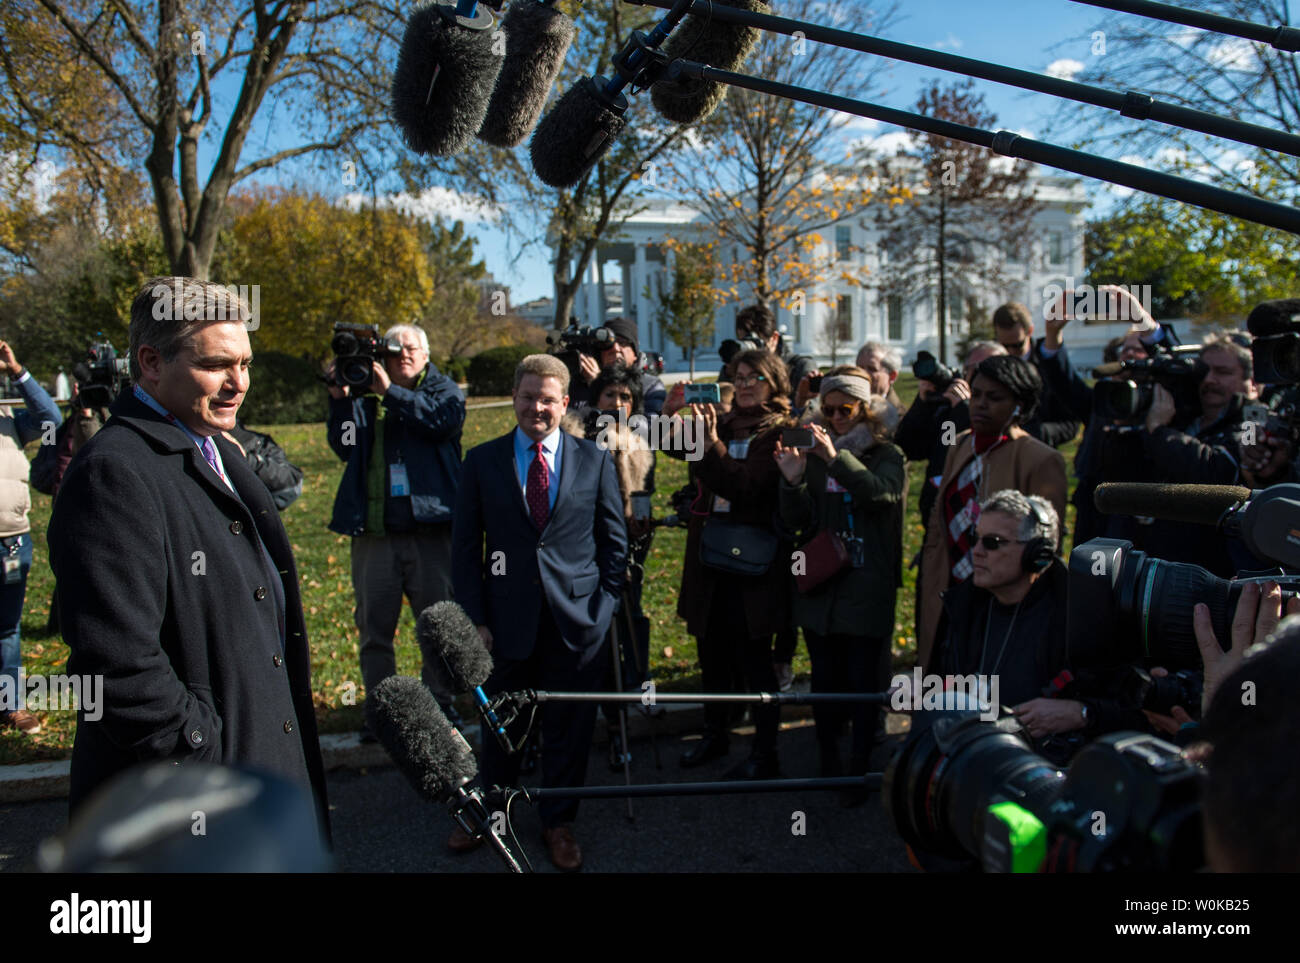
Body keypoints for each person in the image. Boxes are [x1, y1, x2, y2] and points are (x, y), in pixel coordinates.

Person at [46, 277, 329, 838]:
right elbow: (116, 670)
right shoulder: (114, 472)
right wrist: (203, 757)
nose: (238, 384)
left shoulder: (218, 444)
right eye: (217, 365)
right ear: (150, 362)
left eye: (246, 363)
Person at [449, 353, 627, 871]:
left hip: (578, 622)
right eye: (528, 397)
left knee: (569, 727)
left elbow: (613, 543)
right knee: (503, 724)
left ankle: (558, 821)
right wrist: (475, 617)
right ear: (514, 398)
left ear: (564, 402)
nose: (536, 407)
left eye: (547, 399)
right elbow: (465, 550)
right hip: (505, 623)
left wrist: (604, 606)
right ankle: (493, 814)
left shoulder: (593, 459)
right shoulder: (482, 462)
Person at [326, 323, 465, 733]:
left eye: (412, 348)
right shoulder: (364, 390)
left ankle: (440, 705)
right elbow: (344, 446)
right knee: (374, 628)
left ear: (426, 354)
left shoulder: (443, 389)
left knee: (437, 625)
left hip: (432, 531)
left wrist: (391, 393)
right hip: (375, 533)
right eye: (395, 348)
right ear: (382, 354)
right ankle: (386, 711)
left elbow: (443, 422)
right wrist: (340, 401)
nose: (403, 354)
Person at [774, 366, 905, 800]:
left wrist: (835, 458)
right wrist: (792, 481)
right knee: (826, 682)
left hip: (866, 584)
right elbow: (799, 522)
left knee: (865, 684)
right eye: (827, 409)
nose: (835, 417)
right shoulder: (812, 453)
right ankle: (828, 758)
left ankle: (861, 767)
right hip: (820, 585)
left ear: (866, 408)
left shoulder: (886, 454)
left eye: (845, 408)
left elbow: (880, 495)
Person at [664, 349, 795, 778]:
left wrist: (710, 441)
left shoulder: (779, 430)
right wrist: (669, 420)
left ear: (774, 383)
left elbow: (748, 487)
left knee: (754, 658)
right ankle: (715, 733)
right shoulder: (719, 422)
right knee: (712, 652)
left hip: (753, 561)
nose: (743, 385)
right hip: (709, 557)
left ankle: (764, 751)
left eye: (755, 377)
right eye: (738, 377)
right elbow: (679, 452)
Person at [916, 355, 1067, 668]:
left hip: (1003, 603)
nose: (980, 404)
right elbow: (939, 517)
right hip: (950, 593)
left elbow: (1045, 548)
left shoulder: (1039, 460)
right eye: (977, 394)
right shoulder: (960, 445)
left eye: (994, 398)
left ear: (1019, 406)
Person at [559, 362, 655, 766]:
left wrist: (639, 523)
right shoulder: (572, 433)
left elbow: (644, 497)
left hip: (622, 554)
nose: (616, 403)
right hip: (579, 556)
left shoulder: (639, 443)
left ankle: (620, 727)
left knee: (623, 637)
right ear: (594, 398)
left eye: (625, 397)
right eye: (609, 395)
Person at [0, 339, 61, 735]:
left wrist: (16, 370)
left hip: (11, 542)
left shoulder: (8, 417)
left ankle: (10, 705)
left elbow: (51, 420)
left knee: (6, 627)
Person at [895, 340, 1006, 534]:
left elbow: (977, 453)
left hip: (981, 525)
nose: (982, 378)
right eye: (975, 369)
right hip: (937, 520)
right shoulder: (950, 409)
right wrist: (922, 404)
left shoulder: (1006, 412)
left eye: (989, 370)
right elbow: (908, 448)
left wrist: (966, 412)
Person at [991, 302, 1082, 447]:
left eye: (1017, 345)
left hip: (1040, 453)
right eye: (1004, 346)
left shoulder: (1050, 362)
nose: (1010, 352)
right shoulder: (992, 363)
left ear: (1030, 331)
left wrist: (1040, 432)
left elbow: (1072, 423)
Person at [570, 316, 667, 416]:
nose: (615, 348)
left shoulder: (651, 386)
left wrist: (597, 385)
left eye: (622, 343)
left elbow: (649, 426)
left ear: (635, 354)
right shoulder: (578, 384)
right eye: (608, 345)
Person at [724, 304, 816, 406]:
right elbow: (725, 406)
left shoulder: (799, 367)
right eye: (745, 342)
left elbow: (814, 414)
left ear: (774, 339)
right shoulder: (738, 368)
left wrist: (801, 402)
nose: (752, 352)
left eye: (757, 343)